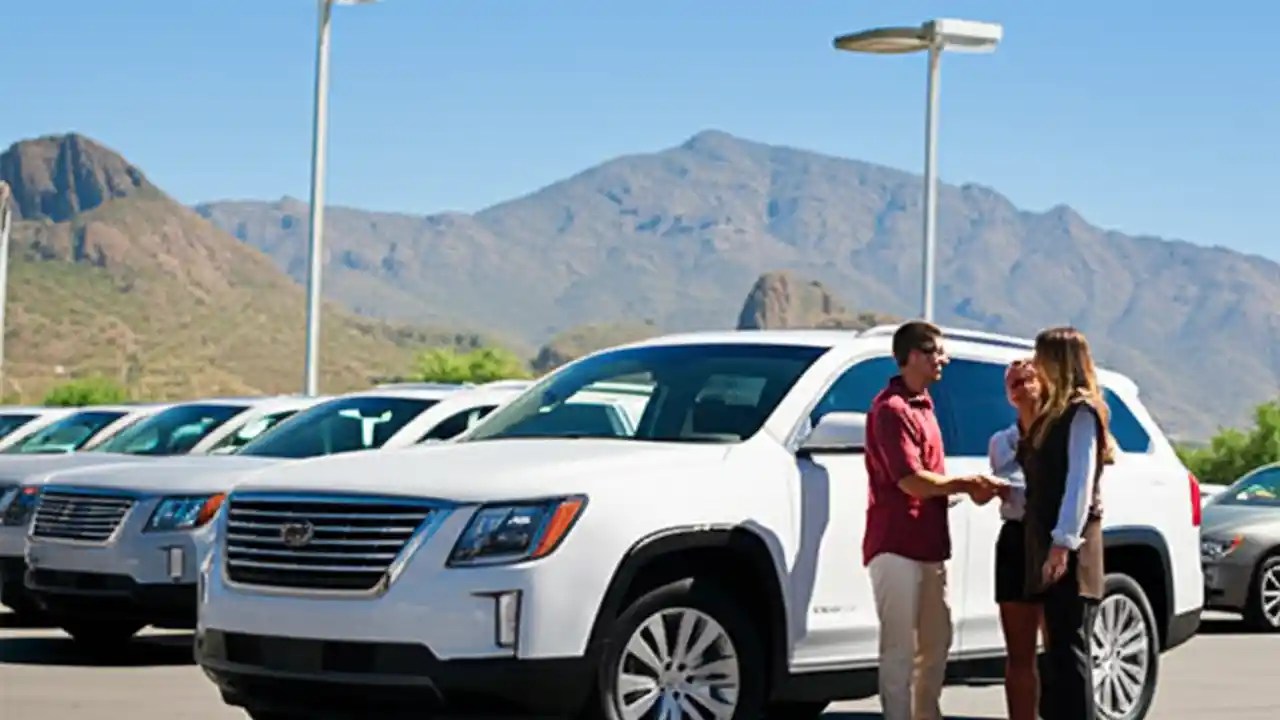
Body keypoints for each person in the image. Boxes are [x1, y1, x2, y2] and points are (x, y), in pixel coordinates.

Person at [863, 320, 1005, 720]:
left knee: (935, 641)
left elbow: (932, 481)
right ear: (912, 356)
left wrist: (966, 488)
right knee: (899, 648)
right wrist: (963, 483)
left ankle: (927, 714)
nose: (944, 359)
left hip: (929, 545)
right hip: (895, 545)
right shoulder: (891, 409)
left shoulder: (924, 405)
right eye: (936, 352)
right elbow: (910, 480)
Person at [1017, 326, 1115, 720]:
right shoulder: (1053, 414)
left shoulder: (1080, 412)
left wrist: (1062, 542)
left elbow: (1080, 480)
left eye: (1041, 357)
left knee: (1070, 652)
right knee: (1056, 651)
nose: (1036, 366)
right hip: (1049, 545)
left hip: (1070, 552)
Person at [987, 359, 1046, 720]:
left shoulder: (1062, 436)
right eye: (1012, 383)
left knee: (1059, 650)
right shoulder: (1001, 442)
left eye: (1026, 379)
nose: (1018, 386)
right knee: (1019, 652)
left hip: (1052, 539)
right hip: (1016, 538)